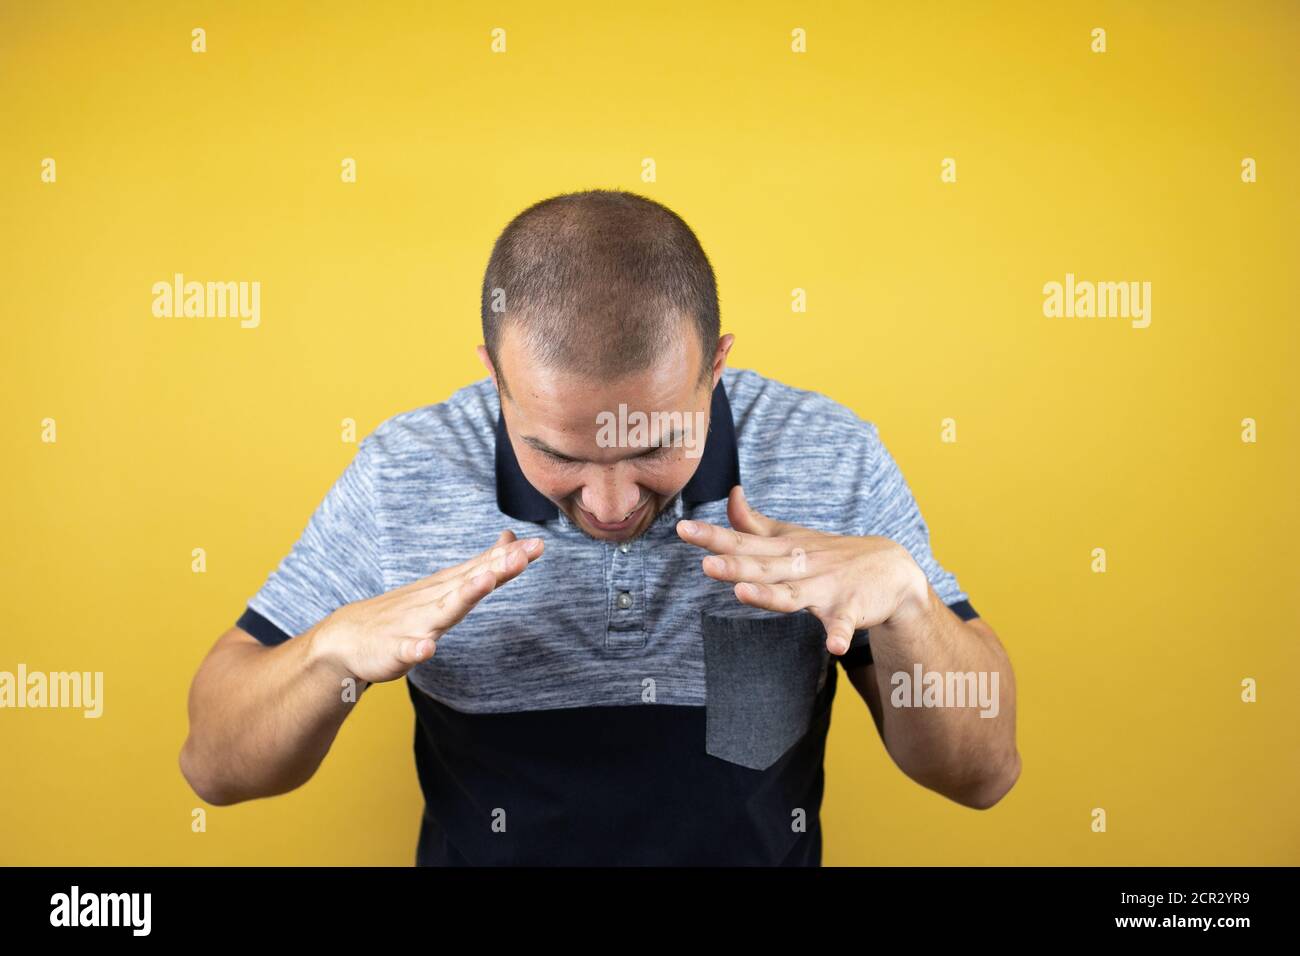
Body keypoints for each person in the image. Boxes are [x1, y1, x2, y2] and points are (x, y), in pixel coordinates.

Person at [179, 189, 1021, 865]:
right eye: (559, 454)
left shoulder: (829, 455)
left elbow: (984, 774)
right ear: (494, 379)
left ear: (715, 366)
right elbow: (214, 765)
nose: (611, 505)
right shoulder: (406, 471)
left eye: (655, 446)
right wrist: (330, 652)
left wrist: (908, 603)